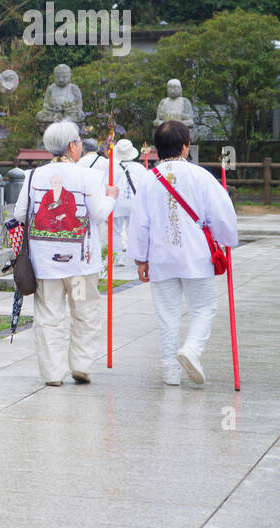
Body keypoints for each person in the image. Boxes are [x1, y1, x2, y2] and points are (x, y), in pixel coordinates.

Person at [128, 121, 238, 386]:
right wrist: (227, 240)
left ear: (157, 149)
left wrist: (141, 258)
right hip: (196, 254)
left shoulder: (148, 179)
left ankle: (171, 371)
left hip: (161, 256)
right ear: (185, 146)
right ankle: (192, 350)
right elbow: (222, 213)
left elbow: (139, 222)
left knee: (167, 313)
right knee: (204, 307)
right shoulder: (200, 176)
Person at [13, 120, 119, 386]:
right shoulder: (88, 176)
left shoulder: (34, 176)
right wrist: (111, 197)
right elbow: (98, 212)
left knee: (49, 316)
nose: (80, 146)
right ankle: (81, 364)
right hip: (80, 268)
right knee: (83, 311)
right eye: (79, 142)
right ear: (72, 145)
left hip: (47, 265)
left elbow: (19, 214)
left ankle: (52, 373)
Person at [110, 138, 150, 262]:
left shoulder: (112, 167)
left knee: (115, 232)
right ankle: (136, 257)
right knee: (133, 230)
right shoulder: (139, 168)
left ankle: (118, 258)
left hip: (117, 202)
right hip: (134, 201)